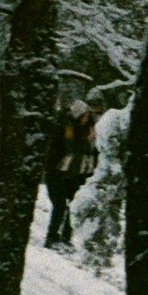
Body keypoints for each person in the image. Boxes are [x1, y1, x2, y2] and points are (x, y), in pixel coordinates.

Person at [43, 102, 100, 248]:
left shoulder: (89, 130)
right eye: (84, 116)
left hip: (75, 173)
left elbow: (91, 152)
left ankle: (66, 238)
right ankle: (51, 237)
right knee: (60, 205)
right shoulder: (65, 127)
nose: (86, 118)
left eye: (88, 116)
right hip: (56, 173)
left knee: (74, 206)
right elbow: (67, 148)